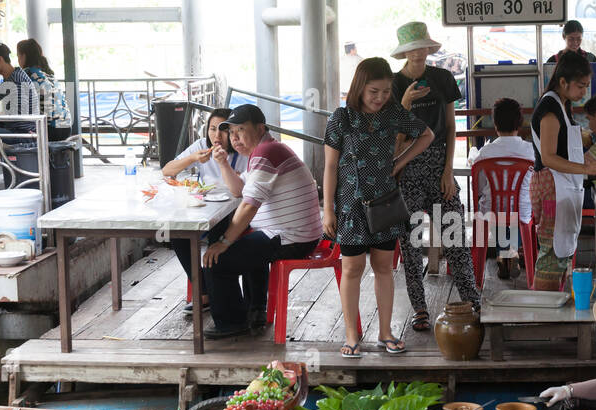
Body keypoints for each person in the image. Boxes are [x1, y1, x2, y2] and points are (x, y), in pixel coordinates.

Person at [323, 57, 433, 358]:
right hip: (348, 206)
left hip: (384, 200)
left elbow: (427, 135)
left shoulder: (394, 113)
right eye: (374, 91)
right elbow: (330, 166)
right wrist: (327, 210)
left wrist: (400, 161)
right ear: (359, 87)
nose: (380, 97)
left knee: (384, 268)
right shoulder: (341, 118)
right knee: (352, 268)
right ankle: (351, 334)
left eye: (385, 91)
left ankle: (385, 332)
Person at [390, 20, 482, 331]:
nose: (419, 53)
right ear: (405, 52)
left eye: (422, 47)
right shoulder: (392, 85)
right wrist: (404, 104)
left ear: (429, 48)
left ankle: (472, 299)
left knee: (455, 236)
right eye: (412, 49)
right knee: (411, 244)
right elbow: (394, 139)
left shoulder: (441, 77)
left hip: (439, 164)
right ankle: (419, 308)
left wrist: (447, 171)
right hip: (406, 166)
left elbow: (451, 127)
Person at [202, 105, 323, 337]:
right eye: (232, 132)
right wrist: (224, 164)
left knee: (216, 260)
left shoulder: (266, 152)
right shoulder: (266, 149)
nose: (234, 137)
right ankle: (254, 310)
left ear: (259, 128)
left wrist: (225, 242)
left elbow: (248, 205)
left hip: (291, 237)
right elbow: (239, 190)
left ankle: (231, 323)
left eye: (241, 130)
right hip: (294, 233)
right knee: (245, 240)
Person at [530, 50, 596, 290]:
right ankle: (541, 314)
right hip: (551, 187)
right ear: (563, 82)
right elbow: (549, 157)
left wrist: (589, 160)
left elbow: (566, 150)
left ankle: (552, 309)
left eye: (586, 86)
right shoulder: (551, 111)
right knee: (552, 254)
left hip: (561, 187)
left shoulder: (562, 106)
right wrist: (585, 167)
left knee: (559, 255)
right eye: (581, 86)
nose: (584, 92)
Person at [162, 107, 241, 308]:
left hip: (238, 212)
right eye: (212, 129)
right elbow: (167, 170)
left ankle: (221, 299)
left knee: (217, 233)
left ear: (232, 131)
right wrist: (192, 158)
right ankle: (203, 291)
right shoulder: (201, 146)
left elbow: (242, 192)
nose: (217, 135)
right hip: (209, 208)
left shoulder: (241, 149)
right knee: (177, 233)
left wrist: (225, 164)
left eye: (223, 129)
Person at [470, 97, 534, 280]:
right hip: (521, 210)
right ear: (519, 124)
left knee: (496, 209)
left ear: (495, 124)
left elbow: (480, 187)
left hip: (492, 211)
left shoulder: (485, 153)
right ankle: (510, 252)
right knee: (516, 211)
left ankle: (505, 253)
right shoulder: (530, 151)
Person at [16, 39, 73, 141]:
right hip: (67, 127)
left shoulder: (26, 74)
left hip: (50, 130)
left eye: (18, 56)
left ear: (23, 56)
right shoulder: (48, 74)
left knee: (12, 129)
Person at [0, 41, 37, 133]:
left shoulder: (16, 80)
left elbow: (18, 115)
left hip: (23, 134)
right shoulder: (11, 77)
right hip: (15, 130)